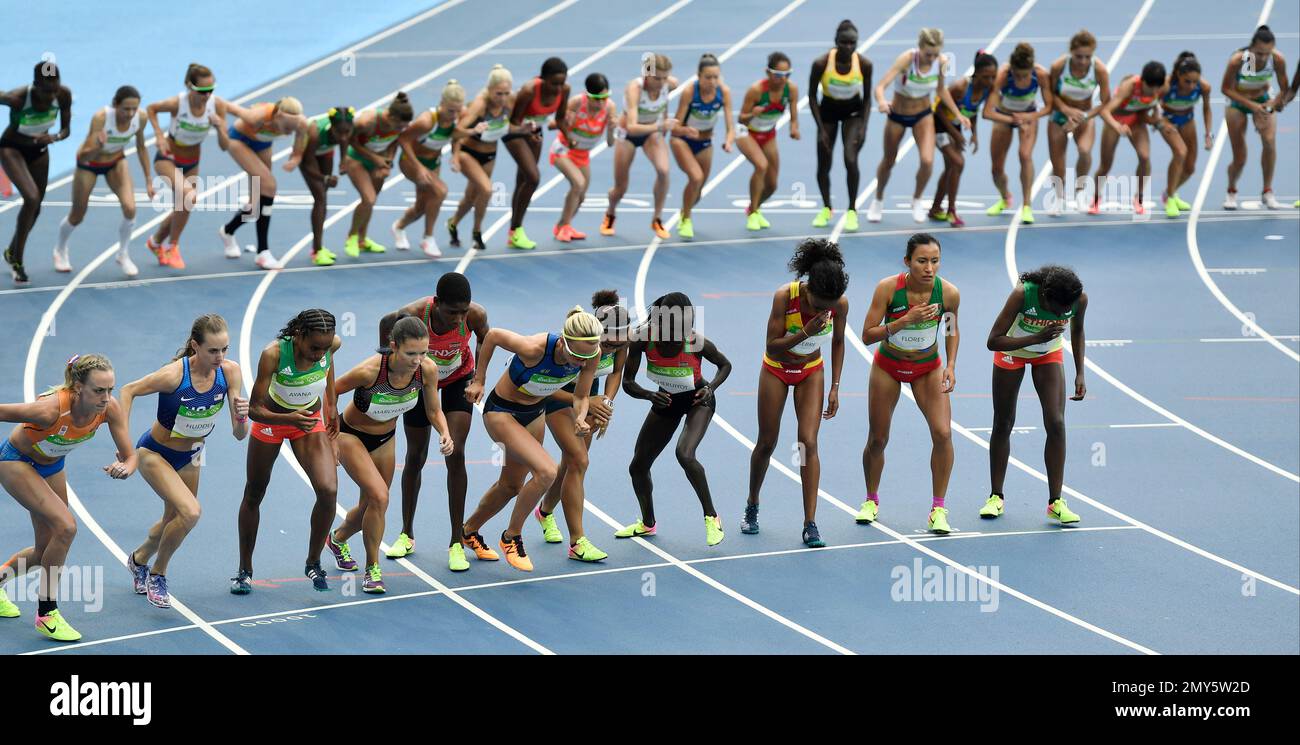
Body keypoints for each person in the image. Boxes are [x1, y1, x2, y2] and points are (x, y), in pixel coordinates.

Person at [0, 355, 136, 642]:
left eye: (110, 389)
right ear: (77, 388)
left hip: (52, 465)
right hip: (16, 462)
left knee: (44, 551)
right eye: (99, 390)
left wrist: (127, 467)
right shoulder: (50, 410)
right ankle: (46, 614)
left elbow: (131, 455)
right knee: (67, 527)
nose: (106, 397)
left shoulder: (109, 408)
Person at [119, 315, 248, 608]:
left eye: (225, 349)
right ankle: (158, 574)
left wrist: (242, 416)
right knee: (190, 512)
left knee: (173, 519)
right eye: (213, 350)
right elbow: (128, 390)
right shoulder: (174, 375)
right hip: (155, 453)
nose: (220, 356)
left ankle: (138, 560)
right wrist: (124, 446)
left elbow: (240, 435)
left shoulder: (230, 373)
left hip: (193, 454)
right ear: (195, 346)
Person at [460, 309, 603, 571]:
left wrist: (581, 417)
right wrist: (479, 380)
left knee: (511, 486)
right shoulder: (534, 348)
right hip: (502, 412)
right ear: (562, 341)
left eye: (587, 356)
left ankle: (468, 531)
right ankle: (511, 536)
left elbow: (581, 396)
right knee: (547, 471)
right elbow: (492, 336)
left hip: (534, 412)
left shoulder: (591, 354)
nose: (582, 362)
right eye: (577, 356)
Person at [327, 316, 454, 593]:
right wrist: (332, 433)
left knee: (371, 506)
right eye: (411, 353)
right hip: (352, 435)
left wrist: (445, 432)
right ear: (393, 346)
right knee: (381, 496)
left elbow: (433, 411)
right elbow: (330, 391)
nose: (418, 360)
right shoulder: (370, 371)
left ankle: (337, 539)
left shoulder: (427, 371)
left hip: (385, 438)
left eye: (423, 352)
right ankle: (373, 569)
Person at [379, 272, 489, 572]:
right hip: (419, 381)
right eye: (452, 311)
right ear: (436, 303)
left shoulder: (475, 314)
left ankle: (456, 542)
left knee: (456, 451)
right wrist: (389, 373)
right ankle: (406, 533)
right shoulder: (413, 314)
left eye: (463, 311)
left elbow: (486, 338)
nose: (459, 318)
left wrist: (479, 379)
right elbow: (386, 323)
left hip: (457, 380)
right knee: (415, 456)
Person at [742, 239, 848, 548]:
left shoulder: (838, 304)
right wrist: (805, 332)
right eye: (818, 305)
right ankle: (752, 503)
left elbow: (839, 342)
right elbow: (771, 345)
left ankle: (810, 522)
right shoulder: (783, 297)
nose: (824, 310)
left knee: (808, 442)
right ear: (807, 287)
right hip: (776, 369)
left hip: (811, 372)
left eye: (829, 306)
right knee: (767, 442)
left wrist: (835, 387)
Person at [231, 309, 341, 595]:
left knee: (328, 491)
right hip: (273, 423)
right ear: (299, 335)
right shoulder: (274, 354)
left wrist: (331, 404)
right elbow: (255, 409)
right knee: (254, 493)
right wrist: (290, 418)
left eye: (324, 347)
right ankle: (245, 569)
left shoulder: (331, 346)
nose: (319, 353)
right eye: (314, 347)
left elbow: (328, 366)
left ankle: (314, 561)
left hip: (308, 423)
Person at [858, 233, 961, 534]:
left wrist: (951, 365)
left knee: (943, 433)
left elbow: (952, 329)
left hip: (927, 368)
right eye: (922, 261)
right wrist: (905, 321)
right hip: (888, 367)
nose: (929, 268)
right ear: (907, 262)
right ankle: (871, 500)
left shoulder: (949, 294)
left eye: (934, 261)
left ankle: (938, 508)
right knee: (878, 438)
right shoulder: (888, 289)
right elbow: (867, 335)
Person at [617, 292, 732, 544]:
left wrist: (710, 388)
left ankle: (712, 517)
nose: (684, 333)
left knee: (685, 454)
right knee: (638, 466)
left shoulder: (696, 342)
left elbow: (725, 365)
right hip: (666, 401)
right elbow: (627, 382)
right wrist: (648, 395)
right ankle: (647, 524)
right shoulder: (642, 339)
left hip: (697, 401)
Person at [983, 265, 1087, 525]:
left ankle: (1056, 502)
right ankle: (996, 496)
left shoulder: (1078, 299)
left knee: (1057, 422)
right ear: (1046, 296)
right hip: (1012, 351)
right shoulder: (1022, 295)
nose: (1063, 314)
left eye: (1067, 310)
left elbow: (1077, 330)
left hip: (1048, 354)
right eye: (1058, 309)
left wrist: (1080, 372)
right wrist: (1035, 337)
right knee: (1004, 422)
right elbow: (993, 341)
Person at [532, 291, 629, 561]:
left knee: (572, 462)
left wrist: (605, 404)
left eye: (619, 343)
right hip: (556, 395)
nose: (612, 347)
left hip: (589, 396)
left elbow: (617, 372)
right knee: (579, 460)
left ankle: (545, 512)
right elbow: (542, 388)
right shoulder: (578, 345)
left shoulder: (620, 342)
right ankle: (577, 543)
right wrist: (590, 401)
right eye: (607, 342)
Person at [144, 63, 243, 269]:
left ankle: (155, 242)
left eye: (211, 90)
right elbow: (151, 109)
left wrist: (220, 128)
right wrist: (159, 136)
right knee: (188, 197)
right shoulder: (177, 103)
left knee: (183, 205)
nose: (207, 95)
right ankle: (173, 246)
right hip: (167, 158)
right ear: (189, 86)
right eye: (202, 91)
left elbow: (225, 146)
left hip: (192, 161)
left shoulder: (217, 106)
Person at [866, 29, 967, 224]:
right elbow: (880, 86)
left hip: (923, 115)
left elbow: (940, 90)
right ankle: (878, 199)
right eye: (928, 54)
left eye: (935, 54)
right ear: (919, 48)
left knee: (927, 161)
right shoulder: (906, 59)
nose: (931, 58)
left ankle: (917, 199)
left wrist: (958, 114)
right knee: (889, 160)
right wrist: (881, 101)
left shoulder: (942, 62)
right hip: (897, 114)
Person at [54, 85, 152, 277]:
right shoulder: (101, 118)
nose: (130, 113)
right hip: (90, 163)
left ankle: (123, 254)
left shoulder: (140, 118)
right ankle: (60, 249)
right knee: (77, 215)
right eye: (126, 109)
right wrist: (99, 145)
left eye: (134, 108)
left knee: (130, 208)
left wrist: (149, 179)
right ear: (115, 104)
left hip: (116, 162)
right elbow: (83, 156)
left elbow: (141, 147)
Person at [216, 97, 312, 269]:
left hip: (262, 144)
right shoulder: (256, 116)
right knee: (269, 185)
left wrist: (294, 160)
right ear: (277, 116)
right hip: (238, 140)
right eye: (286, 128)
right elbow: (225, 105)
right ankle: (263, 252)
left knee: (254, 208)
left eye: (293, 128)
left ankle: (228, 231)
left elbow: (298, 152)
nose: (289, 132)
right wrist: (220, 127)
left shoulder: (301, 124)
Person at [1, 61, 73, 283]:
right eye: (46, 90)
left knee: (36, 208)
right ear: (35, 85)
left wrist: (54, 137)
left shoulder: (63, 95)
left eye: (55, 89)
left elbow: (66, 130)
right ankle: (18, 262)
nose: (51, 95)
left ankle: (12, 250)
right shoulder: (17, 98)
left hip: (39, 151)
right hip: (12, 149)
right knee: (31, 199)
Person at [447, 65, 524, 251]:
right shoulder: (480, 104)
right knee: (487, 190)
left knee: (472, 196)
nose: (503, 98)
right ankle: (477, 231)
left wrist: (526, 131)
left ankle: (453, 223)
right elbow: (456, 132)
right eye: (498, 94)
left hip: (490, 154)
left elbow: (512, 126)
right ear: (489, 90)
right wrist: (456, 156)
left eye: (507, 93)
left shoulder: (510, 102)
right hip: (469, 152)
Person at [602, 54, 679, 239]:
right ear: (645, 74)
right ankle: (610, 213)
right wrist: (661, 126)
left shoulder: (670, 83)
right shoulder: (634, 89)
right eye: (657, 78)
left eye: (664, 77)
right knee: (621, 188)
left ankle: (657, 218)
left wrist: (663, 124)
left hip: (651, 134)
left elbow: (667, 97)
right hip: (628, 135)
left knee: (663, 171)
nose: (661, 83)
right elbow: (632, 127)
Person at [393, 81, 469, 258]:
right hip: (411, 162)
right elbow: (403, 140)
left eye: (458, 110)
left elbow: (456, 135)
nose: (454, 115)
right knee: (440, 191)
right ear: (441, 103)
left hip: (433, 163)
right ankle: (428, 238)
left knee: (421, 206)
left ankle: (399, 227)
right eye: (450, 110)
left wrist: (456, 155)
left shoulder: (460, 115)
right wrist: (418, 167)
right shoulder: (426, 121)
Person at [808, 20, 873, 230]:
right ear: (835, 42)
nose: (848, 47)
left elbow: (867, 99)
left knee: (850, 158)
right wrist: (820, 128)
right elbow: (811, 96)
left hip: (853, 114)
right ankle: (826, 208)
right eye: (843, 42)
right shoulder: (821, 64)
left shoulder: (864, 64)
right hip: (828, 113)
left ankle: (852, 210)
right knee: (824, 162)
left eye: (852, 43)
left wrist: (863, 126)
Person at [503, 58, 570, 250]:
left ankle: (513, 233)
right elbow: (514, 123)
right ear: (543, 79)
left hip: (535, 132)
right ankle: (516, 229)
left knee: (523, 180)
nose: (558, 88)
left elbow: (560, 119)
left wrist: (570, 138)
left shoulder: (564, 90)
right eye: (554, 83)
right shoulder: (529, 91)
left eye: (561, 83)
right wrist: (527, 133)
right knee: (533, 178)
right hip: (516, 132)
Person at [1220, 25, 1289, 210]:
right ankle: (1231, 190)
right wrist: (1253, 107)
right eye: (1259, 53)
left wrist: (1271, 105)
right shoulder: (1238, 60)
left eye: (1267, 53)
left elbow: (1284, 90)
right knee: (1240, 157)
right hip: (1238, 103)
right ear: (1251, 48)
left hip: (1263, 100)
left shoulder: (1277, 59)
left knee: (1269, 142)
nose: (1263, 57)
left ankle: (1267, 191)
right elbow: (1225, 89)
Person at [983, 43, 1053, 224]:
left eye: (1025, 75)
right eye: (1017, 75)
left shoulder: (1041, 75)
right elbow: (988, 112)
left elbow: (1049, 107)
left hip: (1029, 115)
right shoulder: (1003, 76)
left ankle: (1027, 206)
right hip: (1004, 116)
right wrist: (1014, 120)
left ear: (1032, 69)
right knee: (996, 169)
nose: (1021, 78)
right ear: (1011, 69)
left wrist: (1029, 116)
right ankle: (1005, 198)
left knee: (1025, 155)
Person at [1046, 31, 1111, 216]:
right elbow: (1050, 95)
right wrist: (1066, 111)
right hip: (1059, 116)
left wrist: (1083, 116)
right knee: (1058, 161)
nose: (1083, 61)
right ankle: (1058, 198)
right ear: (1071, 52)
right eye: (1078, 56)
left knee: (1084, 151)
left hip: (1084, 116)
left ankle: (1080, 192)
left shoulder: (1099, 70)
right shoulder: (1058, 66)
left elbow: (1106, 101)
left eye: (1087, 57)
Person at [670, 54, 735, 239]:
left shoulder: (724, 92)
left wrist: (729, 140)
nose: (712, 81)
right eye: (708, 77)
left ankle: (684, 211)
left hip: (705, 142)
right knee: (696, 177)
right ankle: (686, 220)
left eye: (716, 77)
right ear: (699, 76)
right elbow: (675, 127)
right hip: (682, 140)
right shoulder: (690, 92)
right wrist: (686, 131)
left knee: (698, 190)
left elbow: (731, 124)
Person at [929, 51, 997, 227]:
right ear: (976, 73)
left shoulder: (987, 89)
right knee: (958, 163)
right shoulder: (960, 87)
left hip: (956, 126)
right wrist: (955, 134)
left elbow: (972, 110)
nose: (990, 81)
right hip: (939, 125)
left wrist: (974, 133)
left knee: (951, 167)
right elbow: (938, 108)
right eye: (986, 77)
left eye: (993, 77)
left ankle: (935, 208)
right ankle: (951, 211)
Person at [1094, 61, 1172, 215]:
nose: (1154, 91)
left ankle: (1139, 198)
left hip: (1136, 120)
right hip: (1115, 120)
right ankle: (1096, 197)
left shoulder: (1163, 87)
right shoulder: (1129, 86)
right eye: (1151, 88)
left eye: (1158, 87)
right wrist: (1117, 127)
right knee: (1105, 164)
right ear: (1143, 82)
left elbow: (1158, 104)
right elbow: (1105, 111)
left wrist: (1157, 113)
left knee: (1145, 157)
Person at [343, 93, 415, 257]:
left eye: (404, 127)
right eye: (399, 127)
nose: (401, 130)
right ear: (390, 117)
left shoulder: (400, 125)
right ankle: (351, 237)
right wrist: (375, 158)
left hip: (378, 161)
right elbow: (350, 140)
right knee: (369, 198)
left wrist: (388, 162)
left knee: (370, 202)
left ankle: (362, 239)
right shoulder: (366, 122)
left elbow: (394, 142)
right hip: (356, 159)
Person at [549, 73, 616, 242]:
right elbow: (555, 124)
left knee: (581, 195)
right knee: (578, 183)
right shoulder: (577, 103)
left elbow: (610, 144)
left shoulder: (609, 108)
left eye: (605, 97)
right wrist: (566, 121)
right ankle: (563, 227)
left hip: (582, 155)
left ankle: (564, 226)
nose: (601, 102)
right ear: (588, 96)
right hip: (563, 150)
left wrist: (610, 129)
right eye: (597, 98)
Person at [737, 53, 800, 231]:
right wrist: (752, 114)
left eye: (787, 74)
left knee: (772, 185)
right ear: (768, 72)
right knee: (761, 166)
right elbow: (741, 119)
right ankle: (754, 214)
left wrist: (794, 128)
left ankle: (753, 207)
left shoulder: (791, 90)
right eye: (778, 75)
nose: (783, 79)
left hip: (768, 134)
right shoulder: (756, 90)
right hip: (746, 133)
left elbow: (794, 117)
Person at [294, 106, 355, 266]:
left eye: (346, 132)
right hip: (309, 155)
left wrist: (343, 161)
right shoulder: (314, 133)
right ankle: (316, 250)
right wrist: (325, 178)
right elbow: (307, 164)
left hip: (326, 152)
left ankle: (319, 248)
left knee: (323, 198)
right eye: (339, 133)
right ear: (331, 127)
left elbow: (344, 142)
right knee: (320, 198)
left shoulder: (346, 129)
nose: (343, 137)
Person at [1159, 52, 1213, 216]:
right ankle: (1169, 199)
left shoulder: (1204, 87)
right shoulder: (1167, 85)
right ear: (1178, 75)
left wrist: (1208, 133)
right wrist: (1161, 122)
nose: (1191, 86)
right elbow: (1153, 105)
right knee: (1180, 153)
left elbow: (1206, 109)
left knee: (1189, 168)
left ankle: (1170, 193)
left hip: (1187, 120)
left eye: (1194, 81)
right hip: (1167, 120)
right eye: (1187, 81)